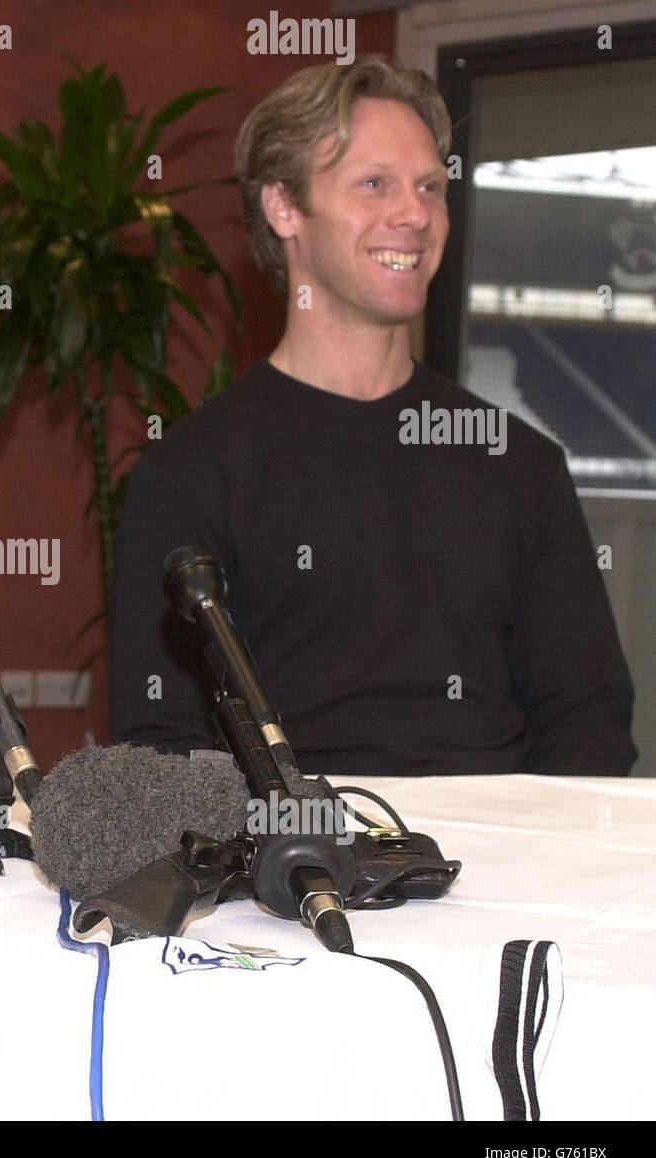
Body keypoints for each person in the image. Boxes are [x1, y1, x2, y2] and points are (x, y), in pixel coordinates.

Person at [111, 57, 636, 776]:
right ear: (284, 208)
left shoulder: (520, 464)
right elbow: (163, 746)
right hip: (288, 870)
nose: (416, 214)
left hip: (507, 865)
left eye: (430, 187)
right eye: (374, 184)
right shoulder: (191, 475)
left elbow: (589, 721)